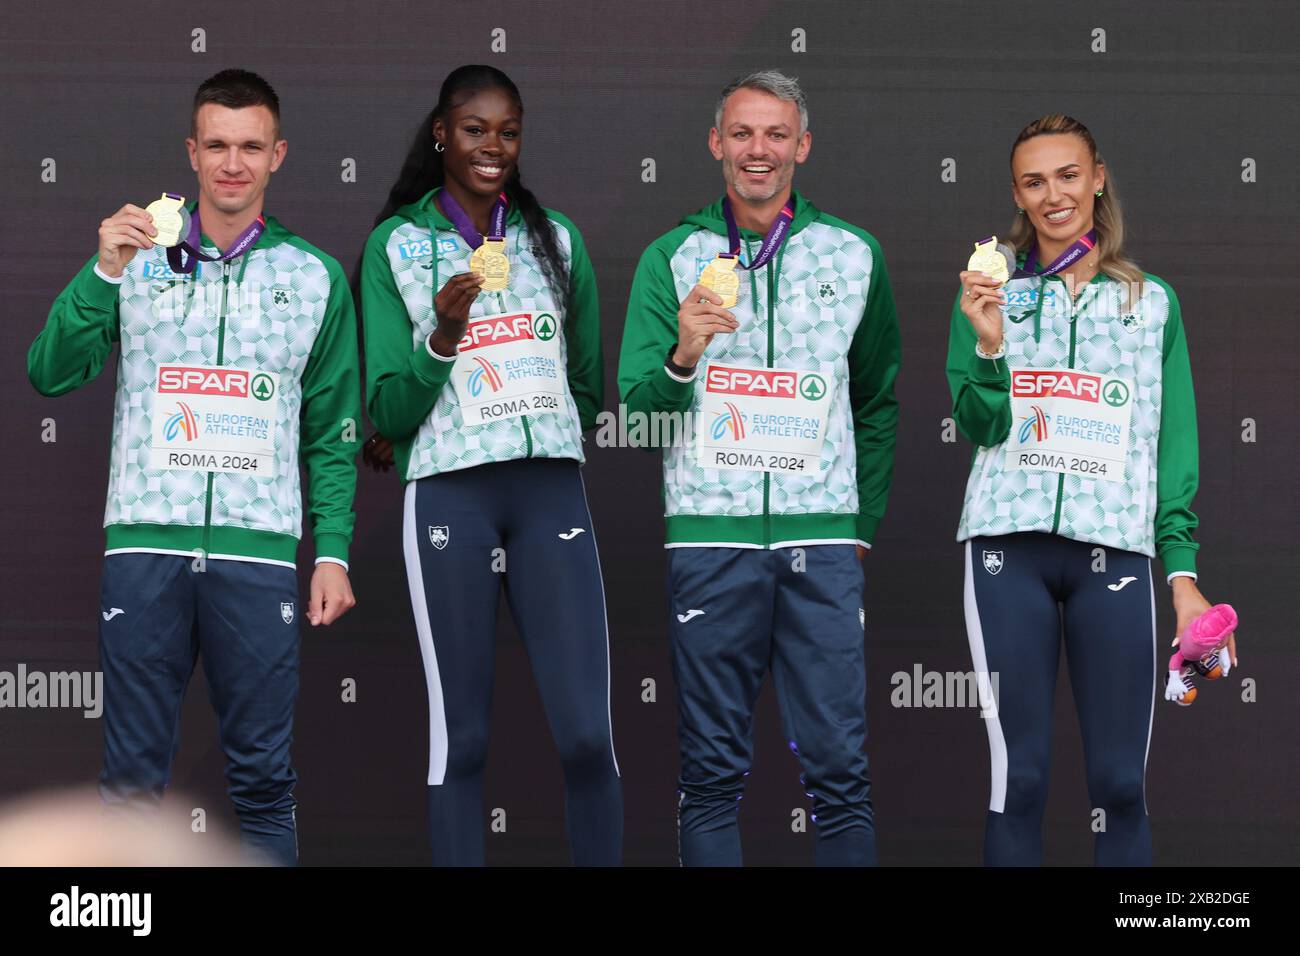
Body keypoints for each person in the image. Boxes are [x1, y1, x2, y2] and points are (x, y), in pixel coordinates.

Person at [27, 69, 361, 865]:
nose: (232, 164)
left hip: (256, 553)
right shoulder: (133, 256)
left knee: (263, 782)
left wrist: (336, 548)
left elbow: (334, 427)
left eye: (250, 146)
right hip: (145, 552)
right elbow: (50, 371)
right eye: (216, 145)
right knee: (132, 783)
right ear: (192, 151)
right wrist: (103, 270)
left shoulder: (311, 275)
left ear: (278, 154)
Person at [617, 70, 901, 867]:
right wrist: (683, 353)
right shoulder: (671, 257)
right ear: (715, 143)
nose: (758, 150)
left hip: (824, 547)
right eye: (741, 133)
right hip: (711, 543)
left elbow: (878, 402)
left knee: (841, 774)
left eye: (776, 134)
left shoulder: (853, 254)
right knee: (710, 776)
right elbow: (636, 416)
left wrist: (861, 530)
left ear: (803, 146)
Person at [949, 113, 1237, 866]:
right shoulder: (990, 287)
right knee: (1022, 778)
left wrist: (1183, 579)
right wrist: (987, 342)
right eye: (1035, 182)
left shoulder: (1151, 303)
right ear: (1016, 192)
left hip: (1117, 551)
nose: (1054, 196)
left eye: (1069, 176)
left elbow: (1173, 450)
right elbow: (977, 422)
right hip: (1006, 550)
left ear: (1098, 177)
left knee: (1119, 782)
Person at [359, 65, 620, 866]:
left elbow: (585, 382)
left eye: (508, 131)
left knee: (585, 736)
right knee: (462, 738)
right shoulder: (396, 246)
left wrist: (540, 429)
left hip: (548, 494)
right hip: (450, 500)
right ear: (442, 131)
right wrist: (442, 338)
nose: (492, 147)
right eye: (475, 129)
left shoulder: (556, 238)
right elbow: (389, 410)